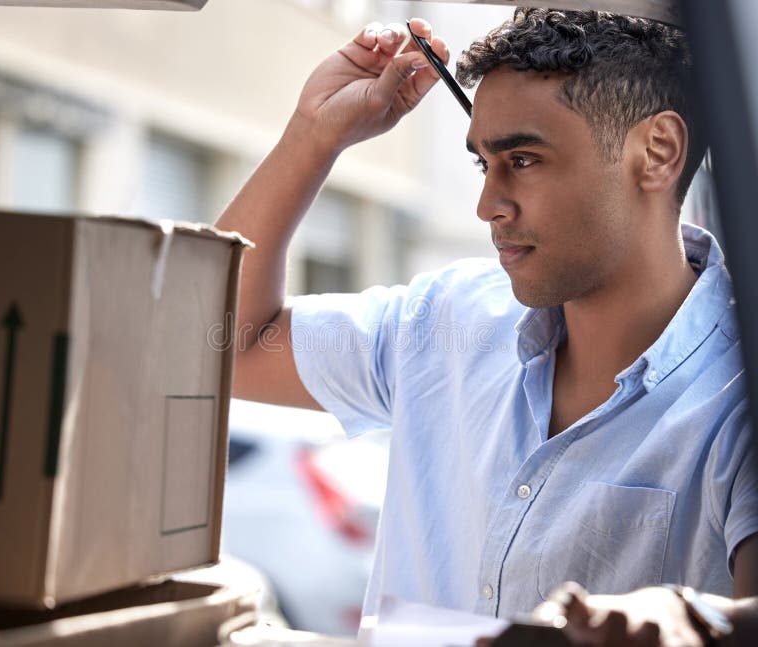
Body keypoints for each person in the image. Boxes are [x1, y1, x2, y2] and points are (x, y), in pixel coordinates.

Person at [217, 8, 758, 645]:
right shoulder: (443, 320)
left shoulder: (736, 395)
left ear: (657, 152)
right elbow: (226, 347)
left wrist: (686, 615)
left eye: (523, 160)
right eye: (483, 164)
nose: (487, 206)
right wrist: (314, 137)